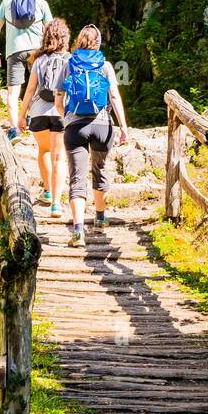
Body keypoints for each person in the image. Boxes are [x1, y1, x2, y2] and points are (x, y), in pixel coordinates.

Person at [56, 24, 128, 248]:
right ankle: (99, 218)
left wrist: (66, 116)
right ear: (98, 43)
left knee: (77, 178)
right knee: (100, 170)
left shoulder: (69, 64)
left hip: (75, 127)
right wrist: (123, 126)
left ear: (79, 41)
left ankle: (78, 232)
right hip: (102, 125)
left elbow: (58, 99)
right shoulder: (105, 65)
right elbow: (114, 96)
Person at [0, 0, 52, 140]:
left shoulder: (7, 1)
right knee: (37, 88)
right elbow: (51, 31)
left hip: (14, 50)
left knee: (12, 92)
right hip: (37, 51)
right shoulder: (41, 3)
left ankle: (14, 129)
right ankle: (33, 122)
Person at [18, 18, 70, 216]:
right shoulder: (70, 60)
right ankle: (56, 203)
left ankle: (47, 191)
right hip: (61, 112)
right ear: (65, 38)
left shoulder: (39, 60)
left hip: (39, 112)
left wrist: (21, 116)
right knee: (59, 158)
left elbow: (30, 90)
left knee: (44, 150)